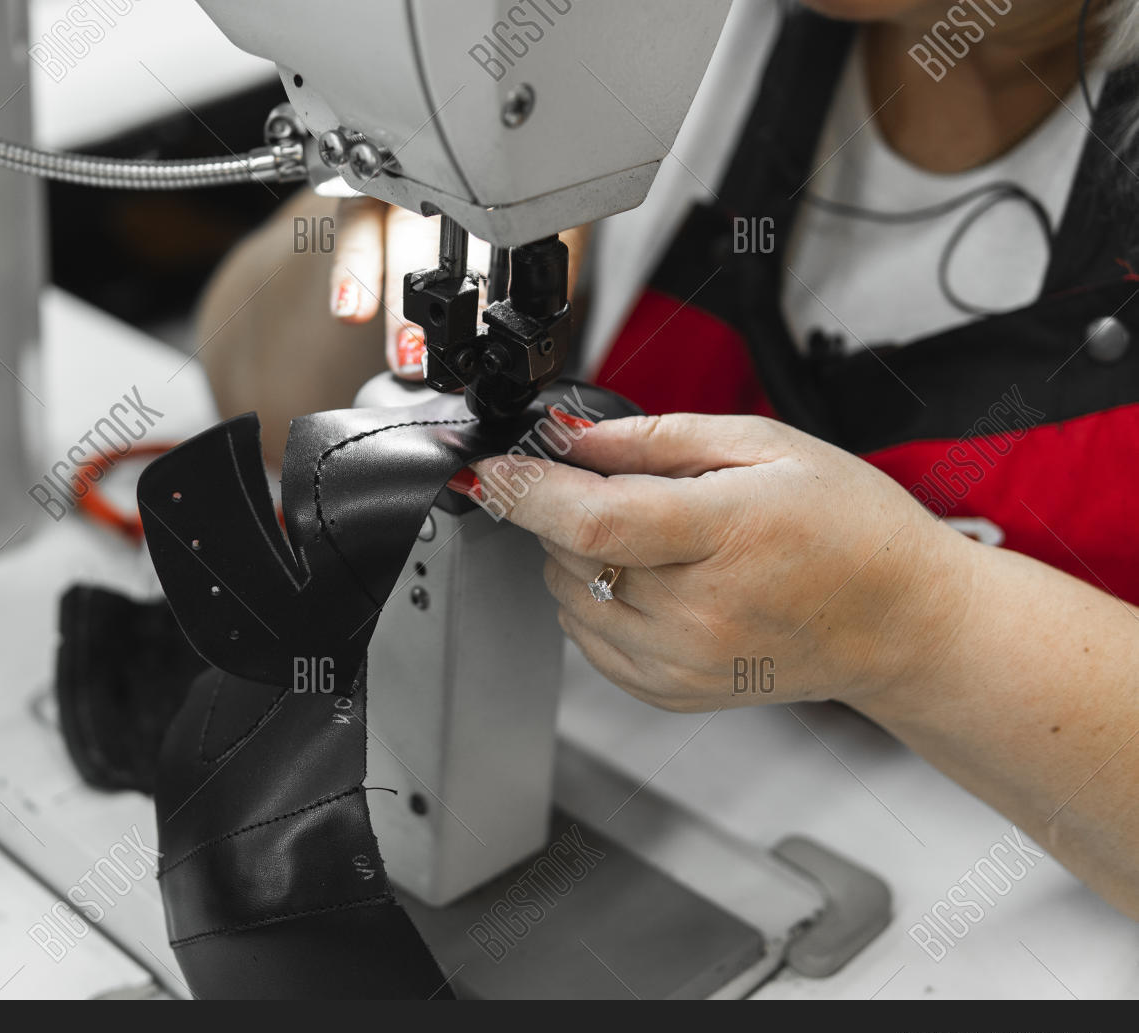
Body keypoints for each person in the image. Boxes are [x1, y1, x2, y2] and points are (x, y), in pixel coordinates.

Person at [194, 0, 1139, 920]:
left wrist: (922, 627)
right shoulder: (680, 33)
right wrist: (403, 177)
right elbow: (273, 394)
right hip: (660, 783)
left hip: (1019, 926)